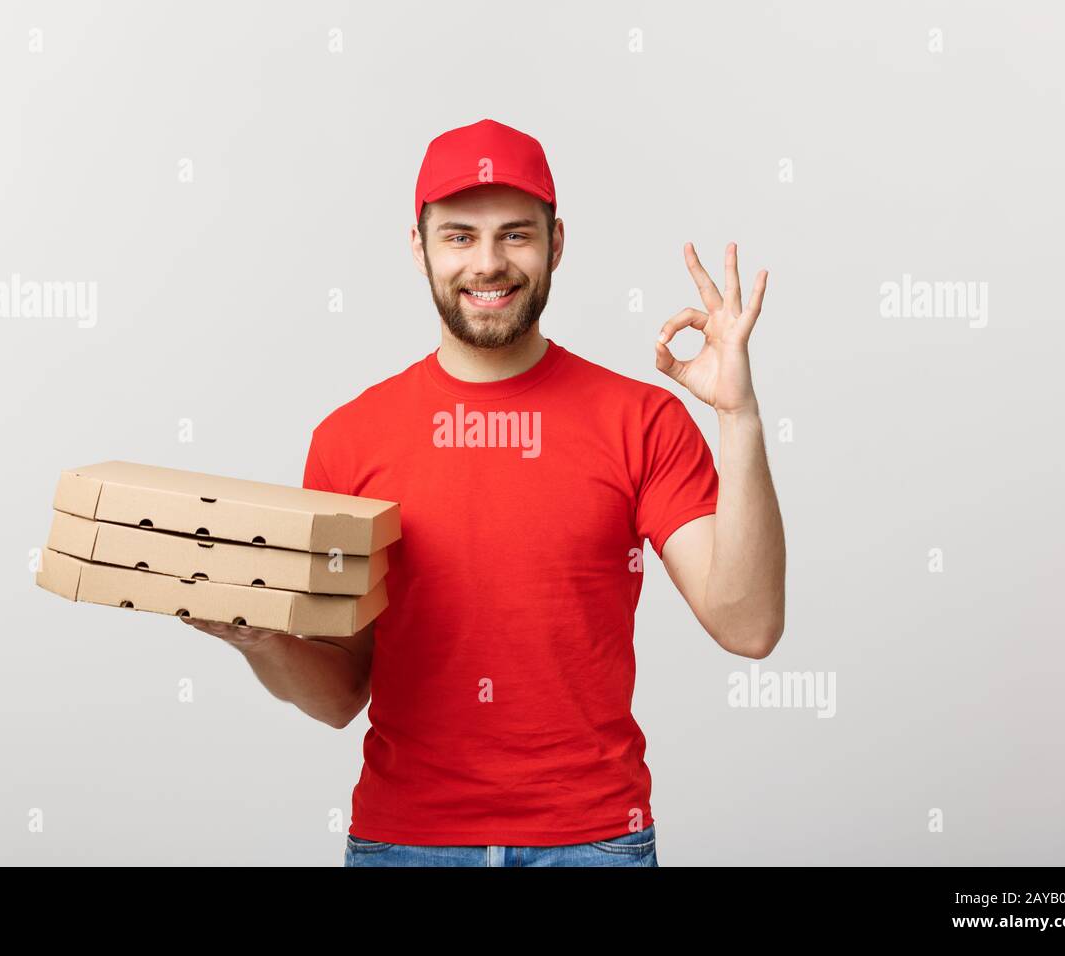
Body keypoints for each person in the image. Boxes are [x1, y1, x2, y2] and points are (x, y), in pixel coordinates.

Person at [184, 118, 786, 867]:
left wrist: (740, 416)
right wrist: (260, 638)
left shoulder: (641, 421)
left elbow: (749, 625)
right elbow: (340, 694)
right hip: (405, 844)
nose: (490, 263)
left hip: (594, 841)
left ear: (556, 244)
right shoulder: (349, 440)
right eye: (460, 236)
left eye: (516, 235)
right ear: (420, 248)